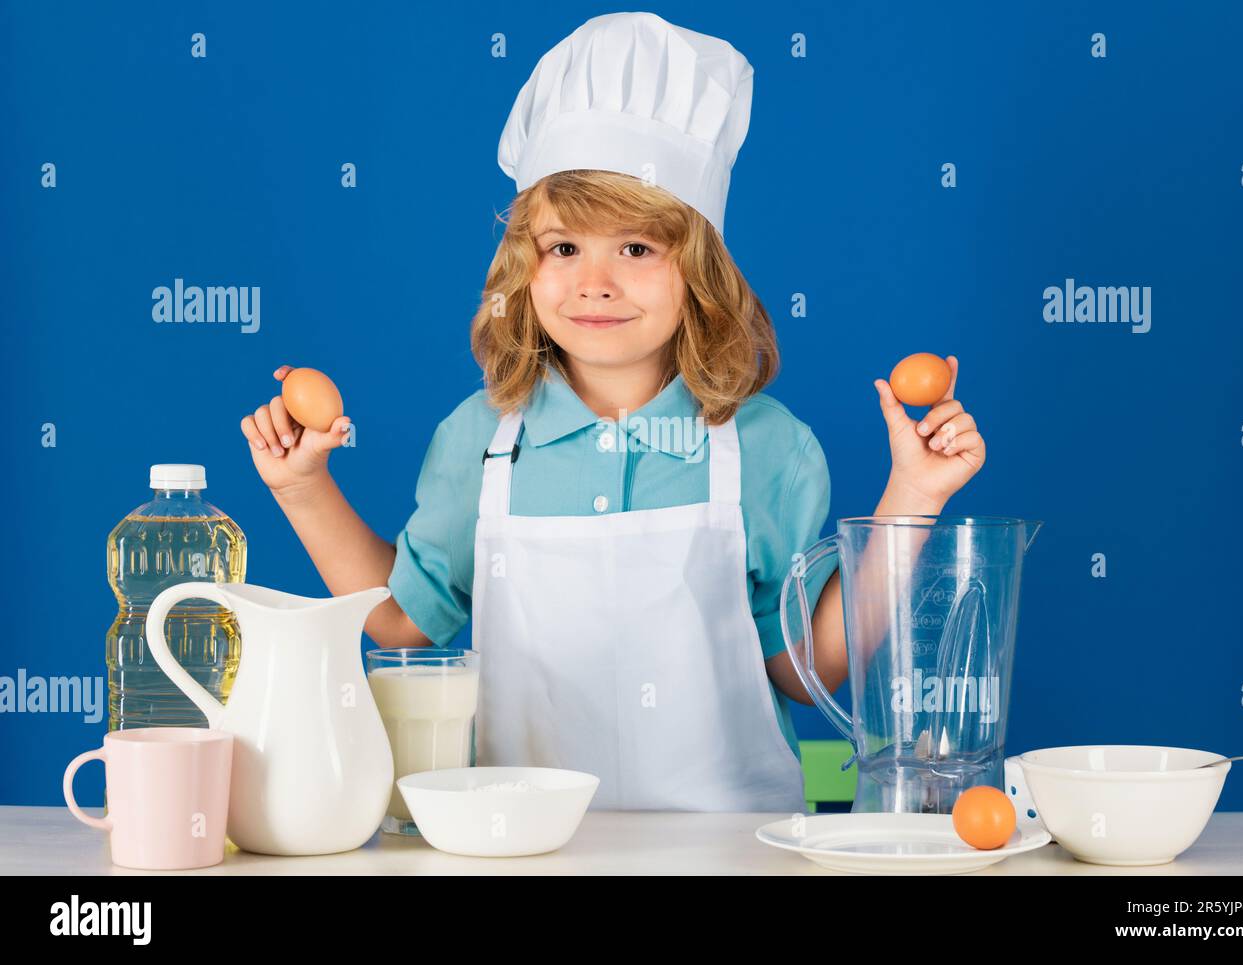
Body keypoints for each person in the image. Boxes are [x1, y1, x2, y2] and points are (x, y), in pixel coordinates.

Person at [239, 12, 985, 812]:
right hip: (525, 850)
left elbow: (808, 670)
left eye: (635, 248)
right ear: (523, 268)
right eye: (564, 248)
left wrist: (914, 493)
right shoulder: (480, 440)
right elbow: (398, 622)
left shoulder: (767, 447)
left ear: (699, 271)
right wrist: (302, 487)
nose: (594, 283)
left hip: (729, 854)